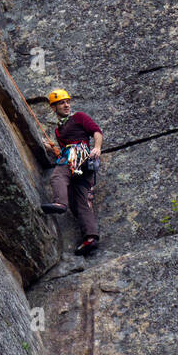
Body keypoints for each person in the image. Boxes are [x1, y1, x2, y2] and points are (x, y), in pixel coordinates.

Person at [39, 89, 103, 256]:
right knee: (79, 202)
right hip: (76, 160)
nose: (66, 105)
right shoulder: (58, 130)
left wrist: (97, 147)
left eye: (67, 102)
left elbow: (96, 132)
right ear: (53, 108)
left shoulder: (79, 117)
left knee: (58, 176)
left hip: (79, 153)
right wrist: (52, 149)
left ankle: (60, 202)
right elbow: (62, 152)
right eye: (61, 103)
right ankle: (90, 238)